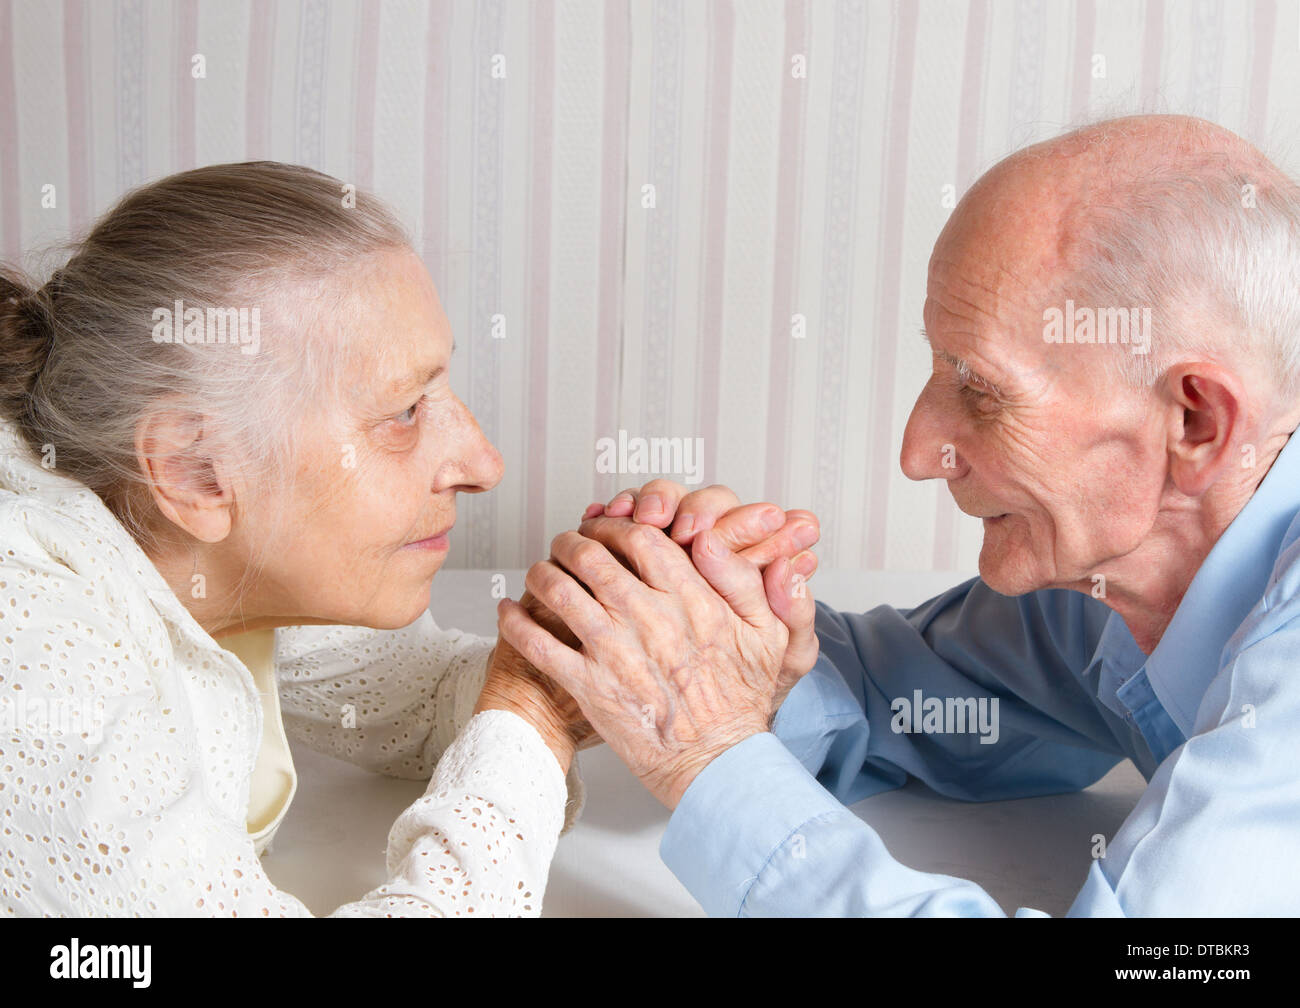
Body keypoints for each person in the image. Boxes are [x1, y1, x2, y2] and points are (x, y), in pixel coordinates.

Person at [501, 115, 1300, 915]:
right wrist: (734, 643)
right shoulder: (1107, 590)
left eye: (980, 391)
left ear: (1195, 424)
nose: (919, 452)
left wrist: (711, 755)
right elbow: (912, 696)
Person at [0, 161, 819, 916]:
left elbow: (421, 702)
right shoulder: (39, 664)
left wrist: (629, 635)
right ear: (195, 472)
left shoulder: (191, 552)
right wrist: (530, 708)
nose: (483, 463)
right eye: (404, 412)